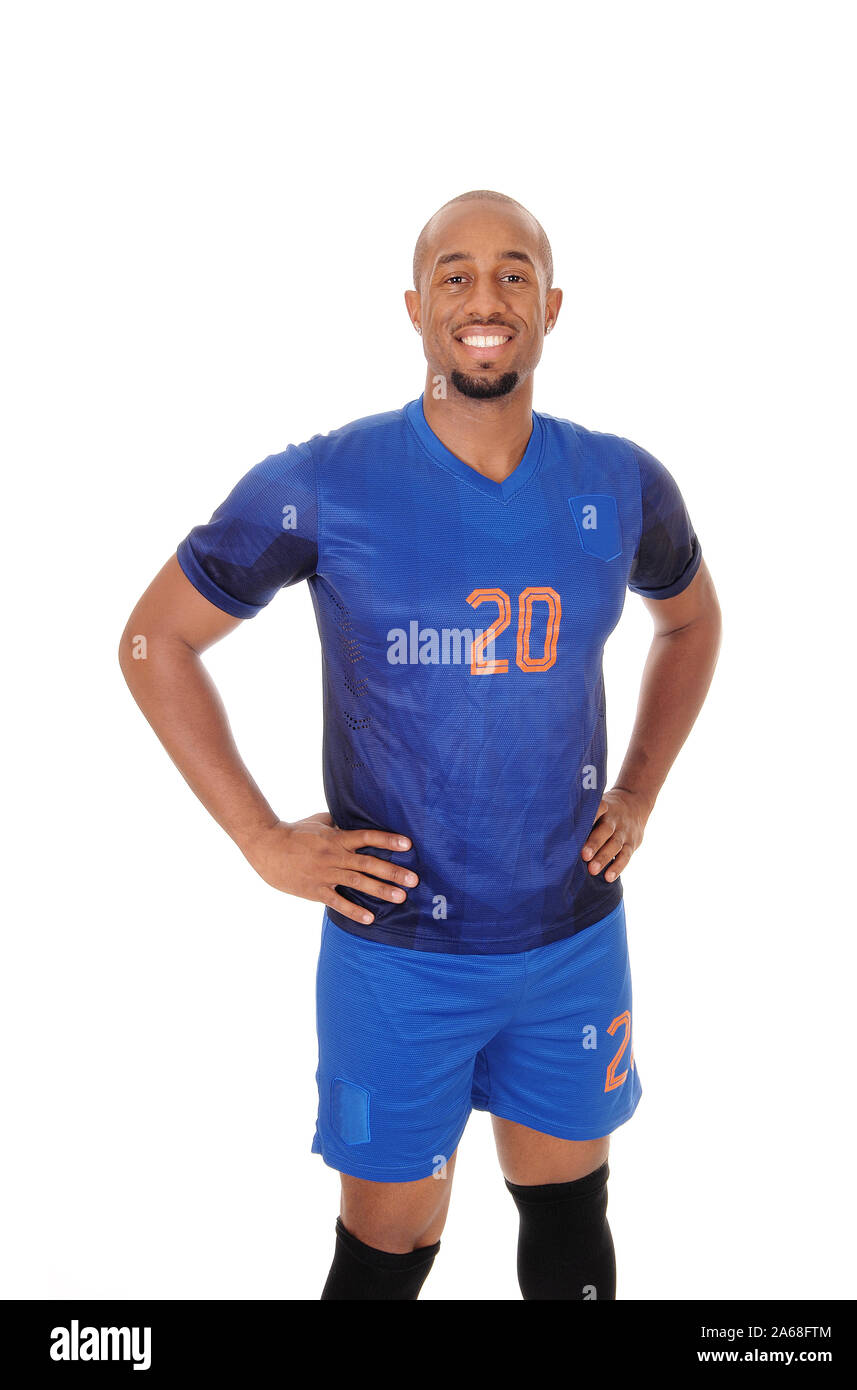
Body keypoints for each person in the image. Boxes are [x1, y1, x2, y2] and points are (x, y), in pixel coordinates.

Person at [119, 189, 722, 1300]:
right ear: (415, 306)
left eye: (512, 274)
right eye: (455, 274)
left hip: (570, 934)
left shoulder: (621, 482)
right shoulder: (322, 485)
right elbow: (156, 641)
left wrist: (638, 788)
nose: (484, 298)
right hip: (397, 952)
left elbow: (690, 620)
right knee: (386, 1253)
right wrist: (260, 838)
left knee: (571, 1216)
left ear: (552, 306)